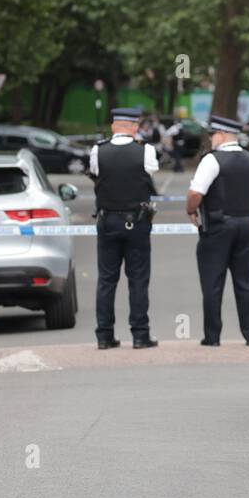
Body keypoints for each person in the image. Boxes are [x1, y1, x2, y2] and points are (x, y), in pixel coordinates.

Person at [186, 114, 249, 346]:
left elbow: (195, 193)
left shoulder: (212, 161)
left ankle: (212, 337)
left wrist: (190, 210)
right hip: (246, 224)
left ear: (221, 135)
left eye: (212, 134)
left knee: (212, 282)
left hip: (218, 226)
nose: (211, 139)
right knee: (246, 281)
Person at [90, 107, 159, 351]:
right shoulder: (145, 151)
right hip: (137, 221)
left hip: (107, 220)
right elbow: (149, 175)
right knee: (138, 279)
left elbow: (96, 175)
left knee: (106, 280)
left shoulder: (99, 150)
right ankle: (140, 335)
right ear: (134, 126)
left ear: (113, 126)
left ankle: (104, 336)